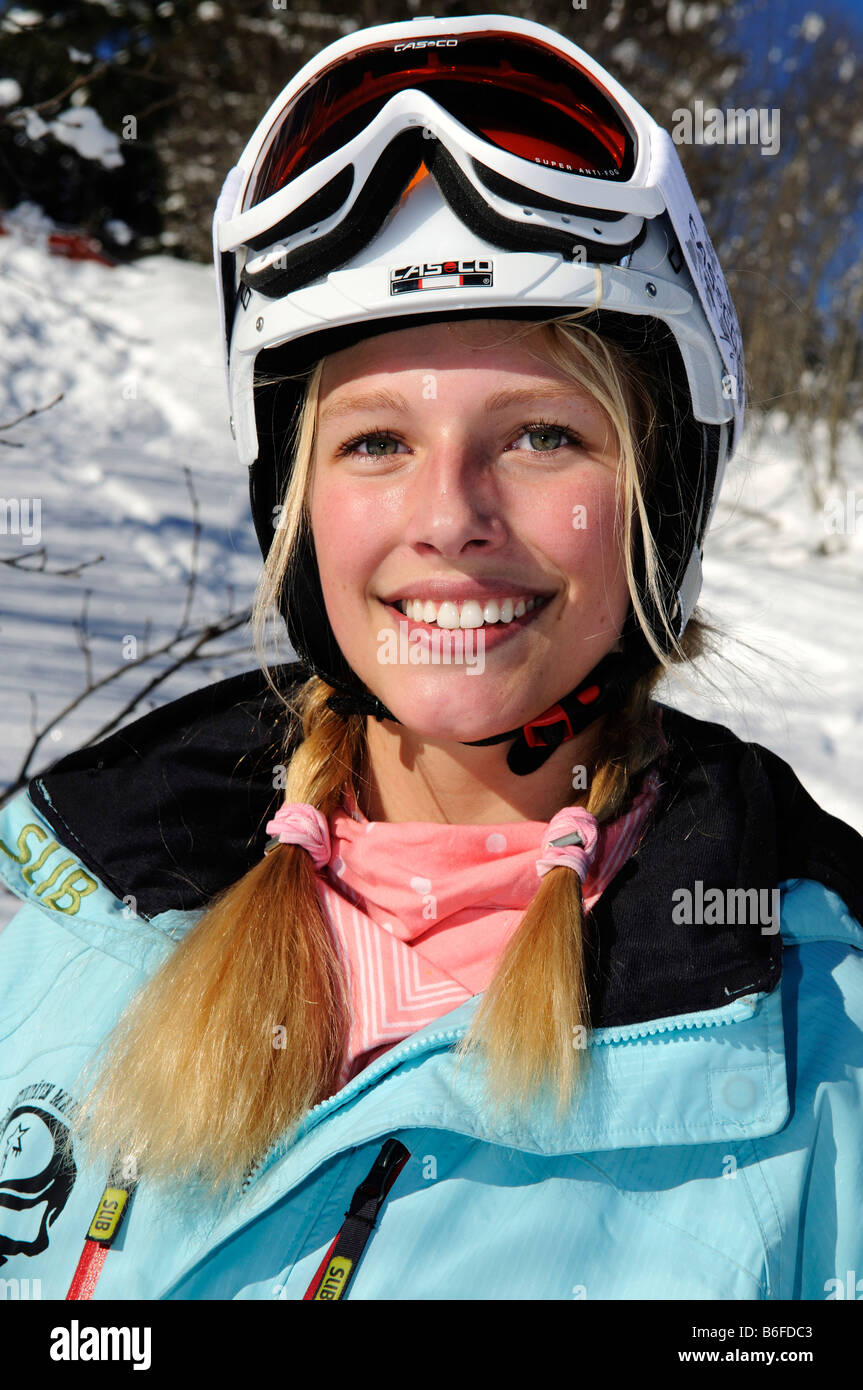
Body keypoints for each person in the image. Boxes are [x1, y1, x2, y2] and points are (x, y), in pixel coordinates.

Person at [0, 13, 862, 1303]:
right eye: (374, 442)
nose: (450, 516)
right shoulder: (64, 905)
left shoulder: (821, 1046)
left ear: (658, 498)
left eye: (542, 436)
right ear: (298, 511)